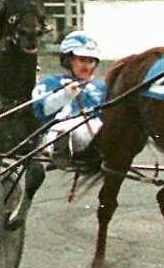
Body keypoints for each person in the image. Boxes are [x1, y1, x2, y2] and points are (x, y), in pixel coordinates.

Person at [31, 30, 107, 168]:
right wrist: (65, 94)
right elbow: (41, 110)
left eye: (91, 61)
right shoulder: (51, 82)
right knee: (64, 130)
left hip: (96, 133)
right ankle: (60, 150)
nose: (87, 66)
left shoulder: (101, 87)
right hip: (61, 128)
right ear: (68, 59)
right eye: (82, 60)